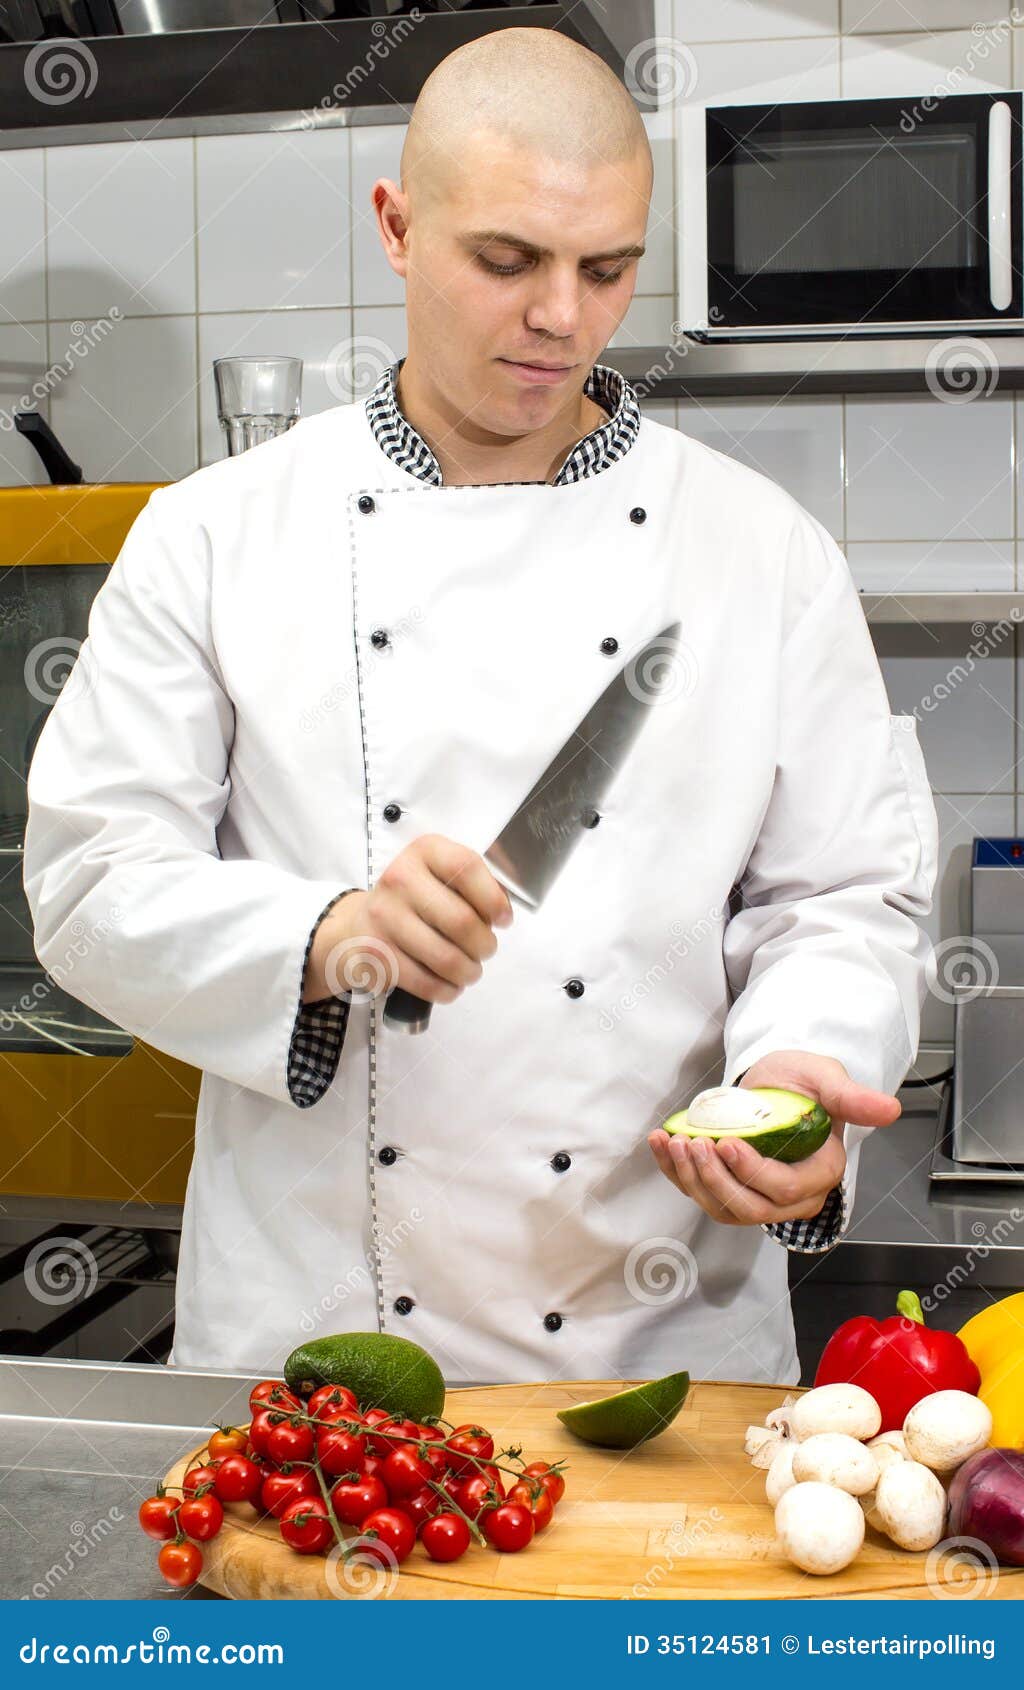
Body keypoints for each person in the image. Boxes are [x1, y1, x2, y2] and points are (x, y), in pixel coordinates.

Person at [23, 28, 938, 1385]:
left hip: (662, 1346)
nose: (561, 316)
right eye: (508, 261)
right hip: (322, 1353)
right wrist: (323, 934)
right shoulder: (215, 535)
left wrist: (801, 1071)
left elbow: (845, 897)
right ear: (396, 228)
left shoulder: (762, 549)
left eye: (606, 269)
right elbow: (92, 882)